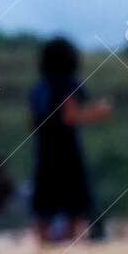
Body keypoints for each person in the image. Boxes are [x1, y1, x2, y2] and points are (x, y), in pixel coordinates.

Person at [30, 37, 112, 243]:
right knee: (75, 202)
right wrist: (98, 113)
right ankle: (71, 240)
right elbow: (70, 116)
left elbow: (33, 123)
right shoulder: (70, 85)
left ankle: (45, 243)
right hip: (68, 153)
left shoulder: (39, 89)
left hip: (45, 153)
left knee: (45, 203)